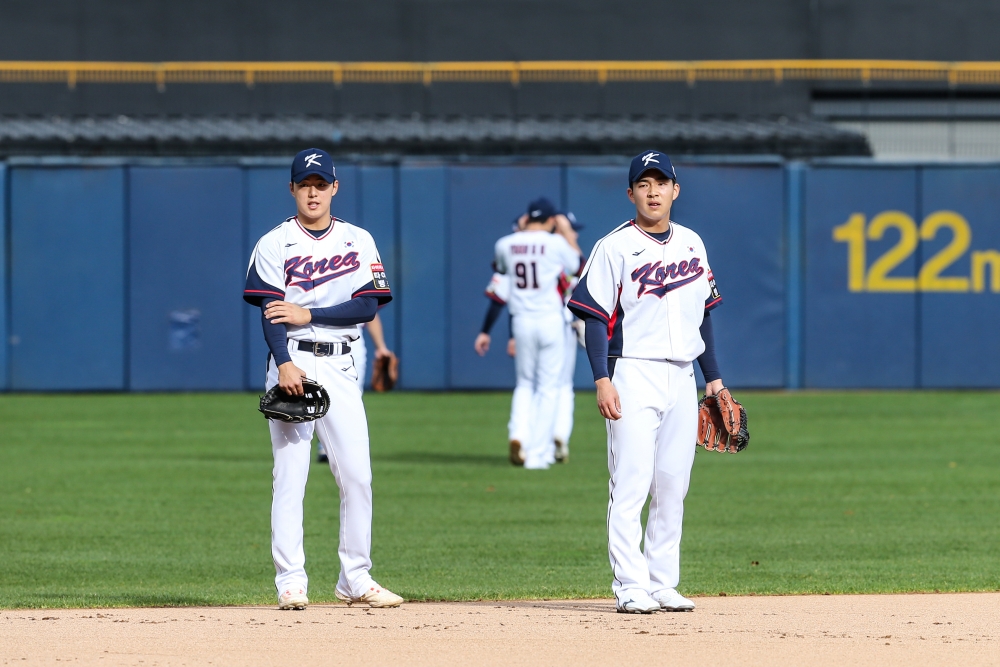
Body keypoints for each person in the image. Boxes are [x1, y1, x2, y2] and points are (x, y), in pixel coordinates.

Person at [243, 148, 404, 610]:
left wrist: (309, 311)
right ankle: (291, 580)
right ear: (292, 189)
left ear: (335, 188)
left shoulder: (357, 239)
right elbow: (272, 311)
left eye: (320, 184)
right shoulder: (275, 242)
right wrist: (283, 362)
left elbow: (367, 306)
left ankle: (356, 577)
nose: (312, 192)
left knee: (357, 475)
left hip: (342, 363)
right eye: (304, 184)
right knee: (290, 476)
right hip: (292, 358)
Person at [568, 150, 724, 614]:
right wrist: (602, 378)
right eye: (644, 183)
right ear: (631, 192)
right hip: (632, 371)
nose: (653, 191)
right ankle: (630, 584)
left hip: (680, 376)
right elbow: (594, 316)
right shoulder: (614, 246)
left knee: (673, 484)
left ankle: (662, 582)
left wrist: (712, 379)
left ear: (676, 190)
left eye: (661, 183)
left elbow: (705, 316)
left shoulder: (692, 243)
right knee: (631, 483)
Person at [475, 198, 582, 469]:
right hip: (550, 320)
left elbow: (500, 271)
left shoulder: (505, 243)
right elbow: (578, 266)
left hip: (521, 320)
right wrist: (567, 232)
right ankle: (537, 454)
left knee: (524, 384)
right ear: (550, 221)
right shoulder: (556, 243)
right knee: (548, 387)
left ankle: (518, 435)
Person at [317, 311, 393, 463]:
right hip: (313, 338)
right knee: (317, 397)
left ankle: (343, 446)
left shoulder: (355, 286)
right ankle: (325, 446)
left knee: (351, 398)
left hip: (352, 340)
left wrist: (381, 347)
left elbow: (371, 312)